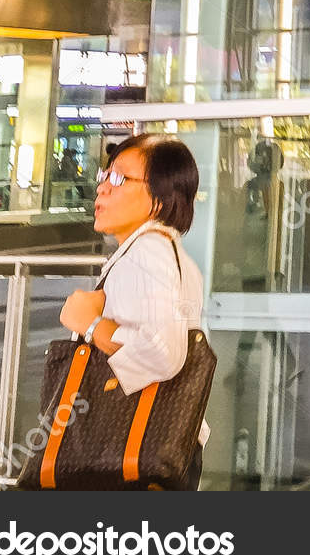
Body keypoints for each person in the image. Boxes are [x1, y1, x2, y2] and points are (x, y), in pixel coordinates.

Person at [58, 134, 208, 489]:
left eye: (119, 178)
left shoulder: (148, 253)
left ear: (160, 198)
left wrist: (90, 324)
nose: (102, 189)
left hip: (132, 450)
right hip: (152, 448)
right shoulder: (167, 252)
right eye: (104, 175)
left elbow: (163, 353)